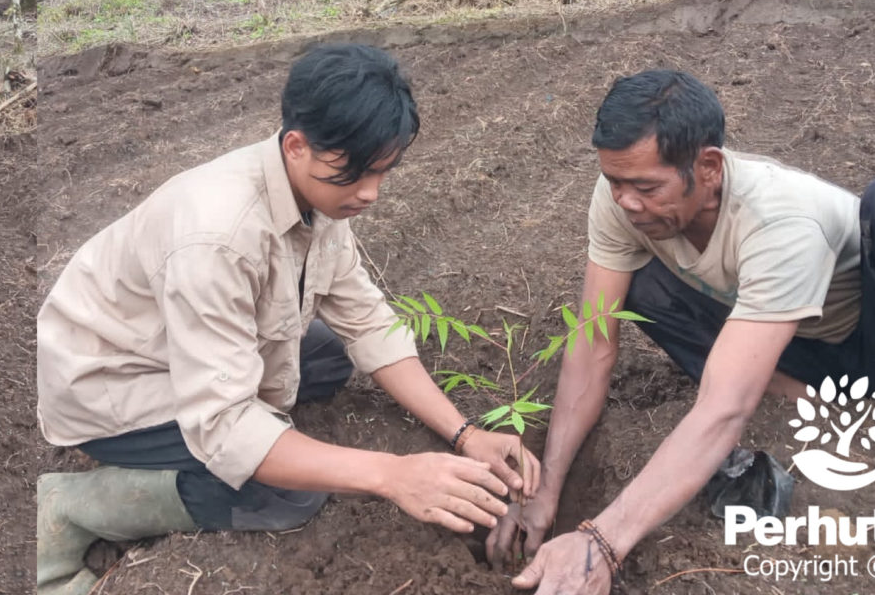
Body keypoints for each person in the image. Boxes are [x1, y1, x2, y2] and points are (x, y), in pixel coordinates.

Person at [34, 42, 537, 594]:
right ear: (296, 145)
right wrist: (392, 475)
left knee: (329, 354)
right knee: (284, 494)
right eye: (356, 174)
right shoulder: (218, 236)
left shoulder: (317, 193)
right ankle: (71, 507)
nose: (370, 193)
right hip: (107, 382)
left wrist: (465, 435)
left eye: (381, 172)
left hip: (170, 344)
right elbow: (224, 427)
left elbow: (369, 324)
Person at [491, 69, 875, 595]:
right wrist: (546, 488)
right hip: (797, 349)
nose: (626, 201)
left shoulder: (779, 218)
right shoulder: (621, 198)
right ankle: (801, 400)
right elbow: (593, 343)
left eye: (646, 187)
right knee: (632, 288)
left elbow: (723, 409)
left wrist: (602, 542)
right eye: (615, 182)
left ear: (708, 167)